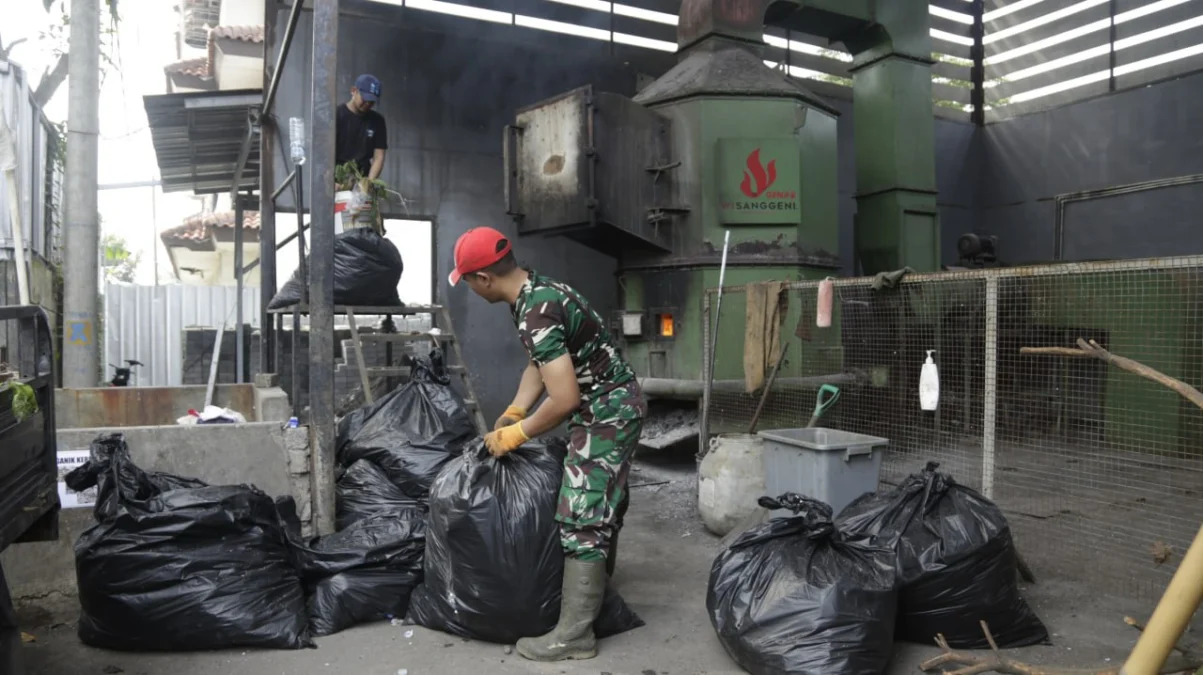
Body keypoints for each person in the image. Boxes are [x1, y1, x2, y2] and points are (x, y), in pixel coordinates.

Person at [448, 227, 646, 663]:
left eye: (467, 280)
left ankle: (575, 635)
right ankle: (596, 593)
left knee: (581, 512)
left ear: (483, 279)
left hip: (607, 413)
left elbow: (565, 399)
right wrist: (516, 411)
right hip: (609, 405)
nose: (470, 288)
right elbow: (540, 365)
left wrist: (519, 435)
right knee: (598, 501)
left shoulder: (535, 309)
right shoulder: (535, 293)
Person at [335, 74, 388, 181]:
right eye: (365, 98)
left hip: (362, 177)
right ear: (353, 91)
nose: (368, 103)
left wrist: (369, 182)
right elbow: (323, 152)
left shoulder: (377, 121)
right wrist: (330, 181)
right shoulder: (336, 115)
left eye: (372, 101)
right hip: (336, 176)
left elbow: (379, 156)